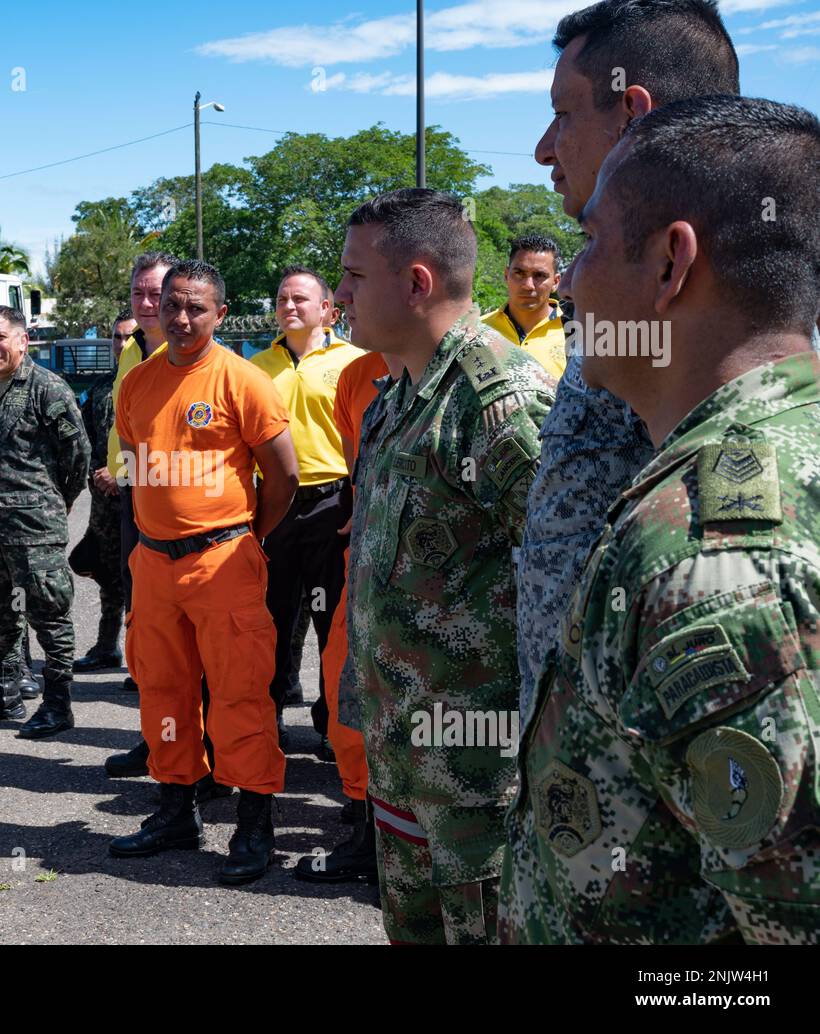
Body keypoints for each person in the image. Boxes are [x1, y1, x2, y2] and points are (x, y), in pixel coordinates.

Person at [503, 95, 820, 945]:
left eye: (591, 242)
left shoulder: (709, 555)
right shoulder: (795, 440)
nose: (566, 280)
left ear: (671, 264)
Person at [338, 190, 555, 943]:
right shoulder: (396, 394)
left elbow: (572, 593)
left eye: (353, 277)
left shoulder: (500, 403)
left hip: (477, 782)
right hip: (404, 754)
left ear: (417, 283)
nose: (339, 296)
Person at [517, 0, 740, 721]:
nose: (545, 149)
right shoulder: (625, 299)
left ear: (632, 117)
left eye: (564, 115)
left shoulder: (717, 322)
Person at [109, 260, 299, 885]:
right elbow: (138, 467)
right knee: (162, 691)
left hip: (224, 560)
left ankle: (253, 822)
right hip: (155, 564)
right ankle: (175, 808)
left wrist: (241, 536)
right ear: (157, 308)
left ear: (220, 313)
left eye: (197, 307)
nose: (182, 318)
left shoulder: (243, 381)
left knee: (240, 693)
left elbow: (284, 477)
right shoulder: (135, 384)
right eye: (172, 305)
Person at [0, 306, 89, 738]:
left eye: (0, 337)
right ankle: (8, 691)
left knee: (49, 615)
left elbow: (79, 456)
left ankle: (58, 704)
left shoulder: (47, 388)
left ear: (22, 341)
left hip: (35, 529)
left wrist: (56, 500)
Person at [251, 266, 362, 751]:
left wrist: (362, 499)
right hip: (274, 504)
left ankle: (331, 722)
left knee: (332, 622)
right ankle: (267, 718)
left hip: (334, 505)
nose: (289, 307)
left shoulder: (357, 362)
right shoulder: (255, 366)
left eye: (300, 299)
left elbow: (366, 437)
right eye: (281, 299)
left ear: (327, 310)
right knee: (271, 619)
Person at [293, 345, 390, 883]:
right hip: (364, 562)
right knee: (345, 695)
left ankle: (413, 862)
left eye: (359, 280)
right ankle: (365, 833)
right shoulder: (355, 377)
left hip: (436, 591)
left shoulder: (466, 373)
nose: (347, 296)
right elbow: (358, 467)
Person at [103, 252, 177, 778]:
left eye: (158, 294)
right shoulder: (132, 349)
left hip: (181, 508)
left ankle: (196, 749)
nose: (148, 304)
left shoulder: (187, 351)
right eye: (139, 295)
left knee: (185, 636)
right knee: (145, 626)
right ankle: (154, 737)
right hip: (134, 495)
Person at [72, 310, 139, 672]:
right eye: (117, 337)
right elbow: (87, 442)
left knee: (140, 580)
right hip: (103, 503)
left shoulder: (149, 382)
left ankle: (139, 658)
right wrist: (95, 477)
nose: (122, 344)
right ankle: (106, 646)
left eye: (130, 336)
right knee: (108, 576)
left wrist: (120, 475)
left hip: (140, 498)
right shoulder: (98, 390)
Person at [480, 235, 567, 378]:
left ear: (556, 282)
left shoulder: (576, 334)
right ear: (506, 275)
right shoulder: (478, 329)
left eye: (539, 275)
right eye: (519, 273)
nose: (528, 285)